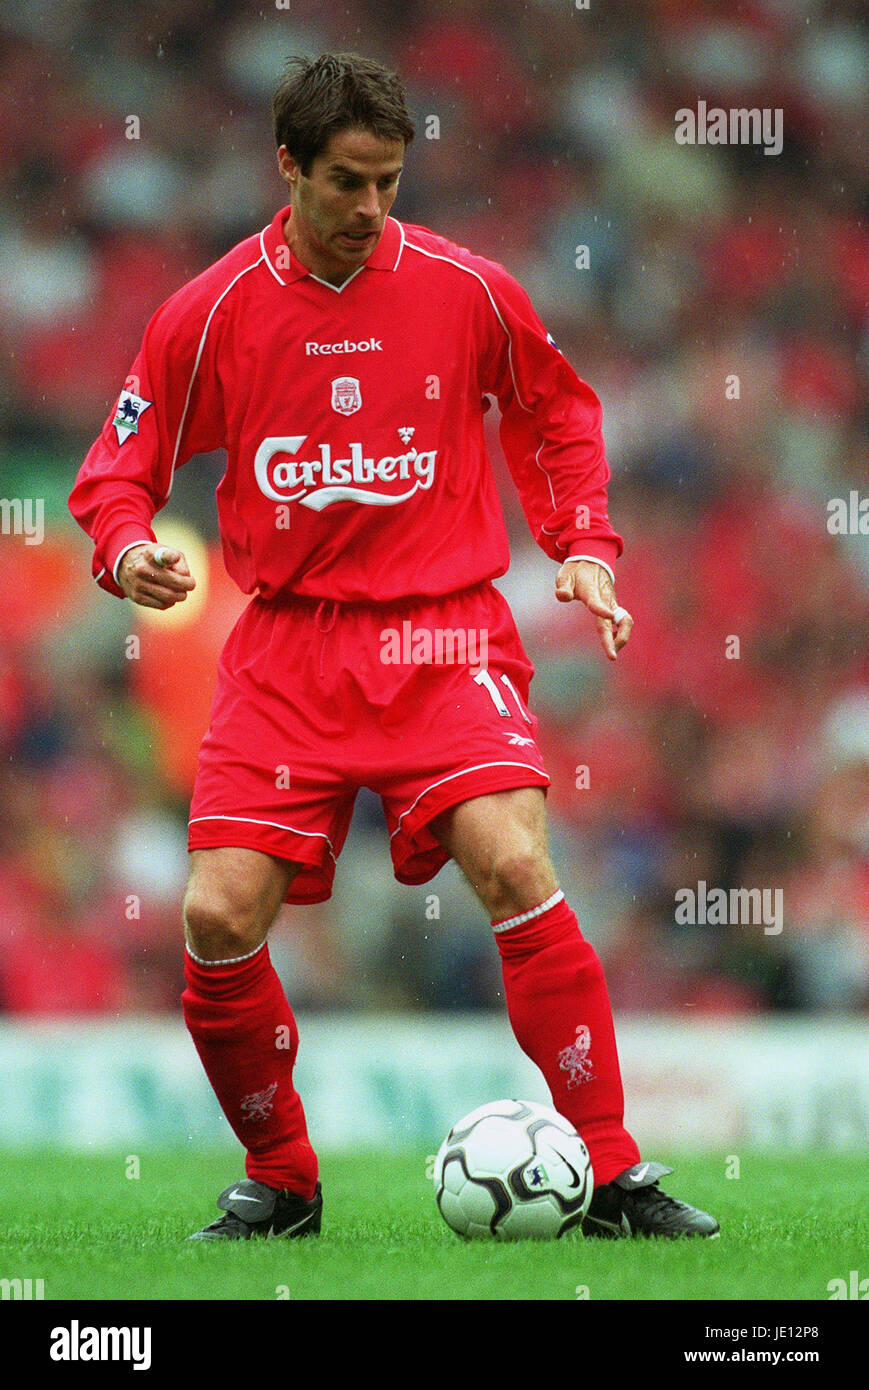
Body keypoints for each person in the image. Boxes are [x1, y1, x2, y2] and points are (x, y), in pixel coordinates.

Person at [69, 52, 718, 1242]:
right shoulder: (207, 313)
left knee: (515, 865)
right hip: (285, 649)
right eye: (348, 183)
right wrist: (125, 551)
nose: (374, 208)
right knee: (216, 917)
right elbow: (118, 470)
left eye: (390, 181)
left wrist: (582, 542)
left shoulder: (464, 288)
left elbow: (555, 408)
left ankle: (615, 1171)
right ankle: (284, 1178)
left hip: (443, 630)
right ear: (287, 167)